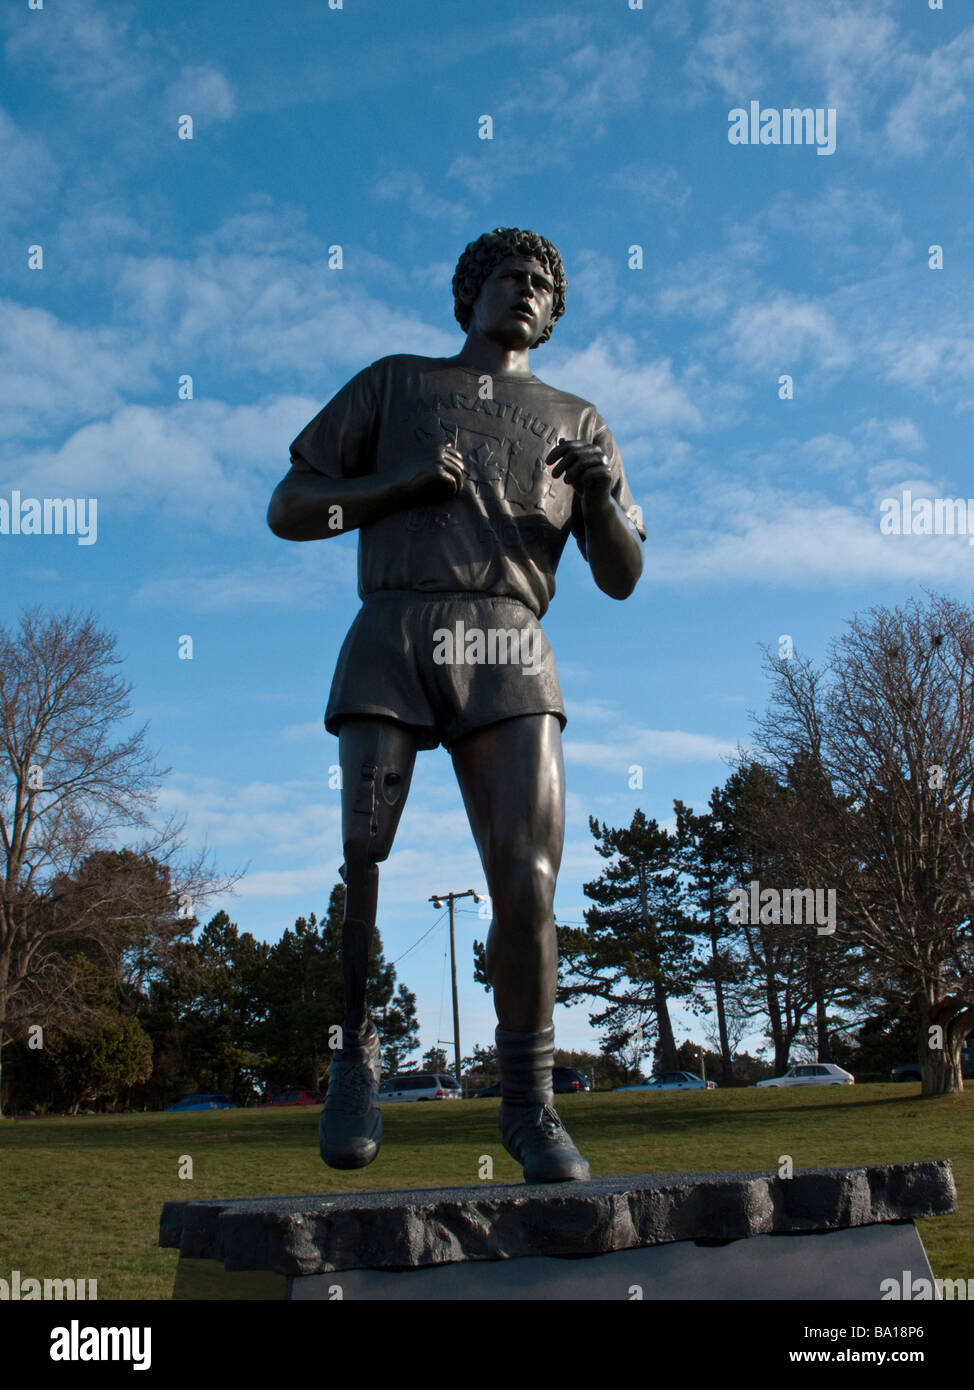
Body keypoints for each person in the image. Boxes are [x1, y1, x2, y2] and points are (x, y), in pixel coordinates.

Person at [267, 227, 645, 1183]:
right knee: (363, 852)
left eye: (541, 285)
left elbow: (623, 578)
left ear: (552, 317)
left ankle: (531, 1104)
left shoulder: (579, 417)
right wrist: (397, 485)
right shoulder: (396, 384)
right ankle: (355, 1050)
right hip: (394, 626)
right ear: (469, 295)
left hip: (510, 638)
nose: (524, 290)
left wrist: (599, 499)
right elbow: (291, 508)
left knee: (528, 878)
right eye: (507, 276)